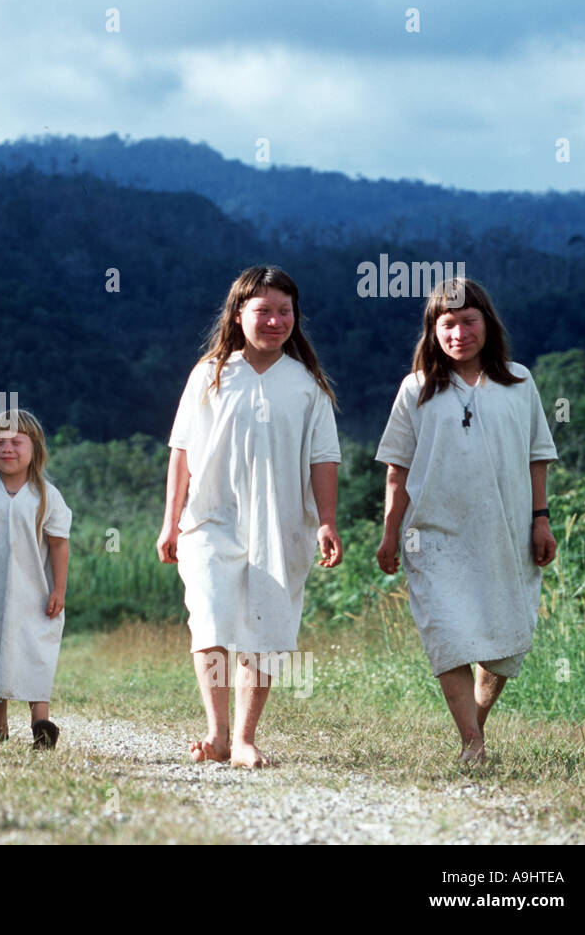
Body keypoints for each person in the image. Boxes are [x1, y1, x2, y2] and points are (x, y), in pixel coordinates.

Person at [156, 266, 342, 768]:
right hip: (210, 521)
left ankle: (243, 739)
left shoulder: (307, 385)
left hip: (281, 528)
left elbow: (324, 459)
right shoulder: (210, 374)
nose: (275, 320)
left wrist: (326, 520)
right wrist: (170, 521)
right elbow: (181, 453)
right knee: (212, 621)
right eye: (264, 311)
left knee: (264, 629)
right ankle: (216, 734)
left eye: (285, 311)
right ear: (239, 316)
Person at [375, 278, 557, 764]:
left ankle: (474, 725)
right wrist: (390, 533)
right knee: (449, 637)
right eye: (448, 324)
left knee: (502, 639)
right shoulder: (416, 388)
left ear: (487, 324)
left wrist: (541, 520)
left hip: (505, 532)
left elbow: (538, 456)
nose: (459, 333)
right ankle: (472, 743)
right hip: (431, 534)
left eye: (468, 321)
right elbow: (398, 468)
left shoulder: (518, 381)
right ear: (434, 331)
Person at [0, 409, 71, 749]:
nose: (7, 449)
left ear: (34, 448)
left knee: (36, 650)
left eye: (16, 442)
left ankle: (41, 723)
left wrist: (59, 590)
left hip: (34, 592)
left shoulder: (45, 494)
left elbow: (60, 545)